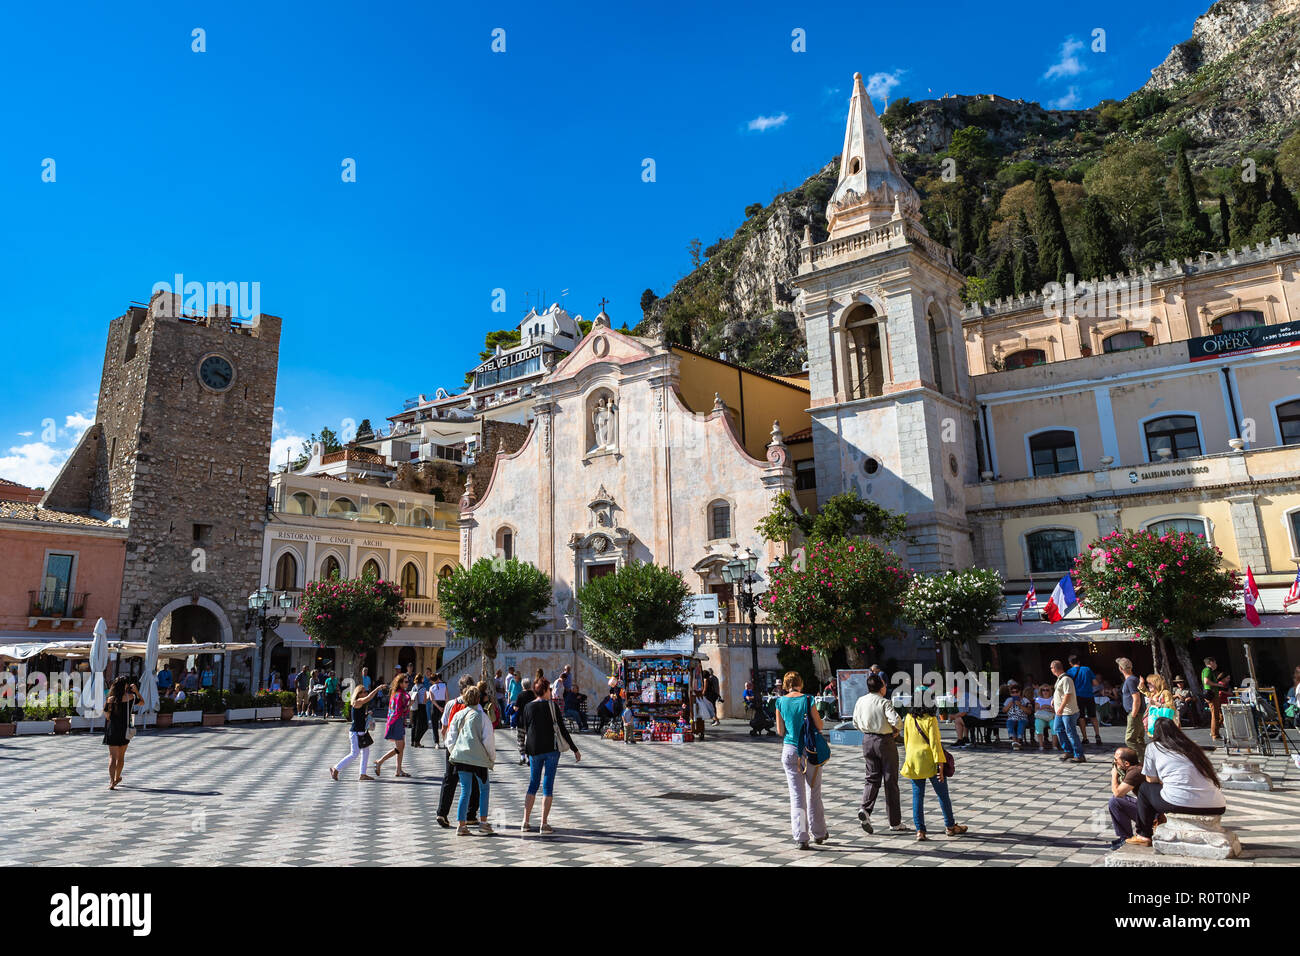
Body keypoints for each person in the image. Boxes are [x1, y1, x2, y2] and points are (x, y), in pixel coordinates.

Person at [1127, 718, 1226, 847]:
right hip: (1216, 804)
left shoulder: (1153, 747)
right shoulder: (1191, 746)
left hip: (1179, 802)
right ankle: (1156, 824)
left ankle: (1143, 834)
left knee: (1145, 788)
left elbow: (1151, 780)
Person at [772, 671, 827, 850]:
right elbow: (819, 725)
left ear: (786, 685)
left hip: (790, 750)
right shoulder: (808, 699)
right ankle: (819, 833)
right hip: (810, 751)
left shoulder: (780, 701)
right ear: (800, 683)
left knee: (797, 795)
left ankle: (801, 836)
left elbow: (780, 731)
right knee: (814, 792)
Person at [520, 677, 581, 833]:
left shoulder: (527, 707)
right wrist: (574, 749)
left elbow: (524, 729)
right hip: (551, 750)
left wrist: (523, 751)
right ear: (546, 690)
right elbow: (562, 729)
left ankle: (525, 821)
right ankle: (544, 823)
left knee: (533, 784)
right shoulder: (552, 706)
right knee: (548, 786)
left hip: (534, 750)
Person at [901, 699, 966, 841]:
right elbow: (935, 744)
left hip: (914, 759)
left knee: (917, 796)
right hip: (930, 760)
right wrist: (940, 765)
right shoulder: (931, 719)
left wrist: (909, 757)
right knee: (942, 794)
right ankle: (950, 826)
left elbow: (906, 740)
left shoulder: (908, 718)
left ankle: (920, 831)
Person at [852, 673, 905, 834]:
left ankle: (865, 809)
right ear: (881, 687)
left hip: (867, 740)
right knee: (890, 781)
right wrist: (895, 730)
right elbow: (896, 721)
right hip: (884, 742)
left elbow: (855, 722)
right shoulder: (884, 702)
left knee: (871, 778)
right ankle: (895, 822)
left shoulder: (861, 700)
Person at [444, 685, 495, 835]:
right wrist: (491, 757)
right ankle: (483, 822)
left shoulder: (458, 715)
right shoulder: (483, 717)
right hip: (478, 758)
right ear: (478, 699)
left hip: (461, 758)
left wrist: (455, 752)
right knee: (484, 788)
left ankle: (461, 825)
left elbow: (450, 738)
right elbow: (488, 741)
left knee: (465, 790)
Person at [436, 675, 481, 826]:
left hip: (452, 747)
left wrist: (447, 744)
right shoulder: (476, 706)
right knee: (473, 779)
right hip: (469, 748)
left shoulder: (450, 704)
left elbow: (443, 728)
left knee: (449, 779)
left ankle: (442, 813)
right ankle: (470, 815)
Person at [331, 678, 382, 781]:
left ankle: (362, 774)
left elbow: (359, 716)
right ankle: (336, 768)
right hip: (355, 733)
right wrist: (377, 689)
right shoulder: (357, 701)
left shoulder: (360, 704)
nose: (365, 693)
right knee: (354, 754)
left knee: (365, 752)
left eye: (365, 691)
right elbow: (368, 698)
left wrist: (367, 715)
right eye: (363, 692)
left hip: (361, 732)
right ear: (358, 694)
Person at [103, 676, 140, 790]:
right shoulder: (131, 697)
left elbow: (107, 716)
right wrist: (137, 691)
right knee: (121, 757)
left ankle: (111, 781)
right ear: (125, 686)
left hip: (113, 729)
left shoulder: (110, 699)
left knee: (112, 757)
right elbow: (142, 702)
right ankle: (117, 777)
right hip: (125, 730)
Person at [373, 674, 412, 778]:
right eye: (405, 682)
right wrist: (409, 705)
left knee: (401, 746)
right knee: (399, 747)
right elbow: (399, 711)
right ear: (400, 683)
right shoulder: (399, 695)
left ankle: (399, 769)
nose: (407, 683)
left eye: (408, 681)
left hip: (396, 721)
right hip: (397, 721)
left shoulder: (397, 693)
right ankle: (380, 761)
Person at [1107, 746, 1145, 848]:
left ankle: (1125, 837)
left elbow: (1117, 793)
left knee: (1114, 801)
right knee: (1118, 800)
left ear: (1126, 763)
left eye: (1116, 760)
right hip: (1147, 807)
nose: (1114, 763)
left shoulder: (1135, 772)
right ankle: (1124, 836)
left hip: (1151, 814)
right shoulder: (1136, 768)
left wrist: (1114, 775)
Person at [1051, 659, 1085, 763]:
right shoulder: (1059, 679)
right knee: (1058, 729)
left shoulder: (1066, 679)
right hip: (1060, 712)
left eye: (1051, 668)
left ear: (1055, 668)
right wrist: (1054, 699)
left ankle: (1079, 755)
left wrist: (1061, 707)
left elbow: (1068, 694)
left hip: (1068, 712)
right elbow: (1060, 692)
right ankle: (1068, 750)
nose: (1051, 670)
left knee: (1071, 733)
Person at [1067, 654, 1102, 746]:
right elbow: (1096, 683)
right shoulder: (1087, 669)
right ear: (1079, 662)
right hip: (1089, 695)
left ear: (1070, 663)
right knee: (1093, 716)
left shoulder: (1069, 672)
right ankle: (1097, 735)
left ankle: (1085, 738)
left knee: (1081, 717)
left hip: (1077, 697)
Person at [1117, 658, 1145, 759]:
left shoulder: (1130, 680)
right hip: (1139, 712)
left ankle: (1141, 762)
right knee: (1139, 739)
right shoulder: (1133, 679)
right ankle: (1146, 761)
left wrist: (1133, 714)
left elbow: (1136, 699)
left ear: (1120, 668)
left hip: (1135, 713)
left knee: (1130, 740)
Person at [1202, 657, 1229, 741]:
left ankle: (1214, 730)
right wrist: (1218, 685)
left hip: (1214, 695)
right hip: (1212, 695)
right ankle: (1214, 734)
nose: (1216, 664)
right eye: (1215, 662)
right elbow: (1206, 681)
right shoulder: (1207, 670)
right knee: (1215, 715)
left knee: (1220, 715)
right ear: (1211, 662)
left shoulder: (1209, 671)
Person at [1001, 680, 1030, 750]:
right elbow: (1004, 710)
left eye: (1017, 692)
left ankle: (1018, 741)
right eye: (1012, 692)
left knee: (1021, 723)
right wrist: (1009, 704)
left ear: (1020, 692)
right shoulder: (1008, 700)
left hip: (1022, 718)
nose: (1015, 694)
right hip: (1011, 718)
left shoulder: (1025, 700)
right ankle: (1014, 741)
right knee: (1009, 722)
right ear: (1010, 693)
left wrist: (1020, 706)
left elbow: (1029, 712)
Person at [513, 677, 536, 763]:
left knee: (520, 739)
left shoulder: (520, 695)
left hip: (521, 721)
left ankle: (522, 757)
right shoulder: (533, 695)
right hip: (531, 721)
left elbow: (516, 708)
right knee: (530, 740)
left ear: (522, 685)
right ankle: (529, 757)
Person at [1032, 682, 1056, 751]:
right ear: (1041, 691)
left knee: (1054, 724)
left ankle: (1054, 746)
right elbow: (1036, 712)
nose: (1045, 691)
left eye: (1047, 690)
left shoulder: (1053, 699)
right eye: (1043, 690)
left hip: (1051, 717)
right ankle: (1041, 746)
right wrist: (1042, 707)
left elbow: (1057, 711)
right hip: (1041, 717)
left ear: (1050, 691)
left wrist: (1050, 708)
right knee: (1038, 723)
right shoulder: (1038, 699)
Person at [410, 673, 430, 746]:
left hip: (414, 706)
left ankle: (412, 741)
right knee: (424, 725)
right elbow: (425, 700)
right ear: (421, 679)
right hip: (421, 707)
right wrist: (428, 697)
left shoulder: (413, 687)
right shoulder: (423, 688)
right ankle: (417, 741)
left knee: (414, 725)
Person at [430, 672, 448, 745]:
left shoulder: (431, 687)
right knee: (443, 724)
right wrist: (445, 707)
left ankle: (437, 742)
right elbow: (447, 697)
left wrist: (439, 707)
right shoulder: (444, 685)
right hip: (443, 704)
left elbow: (432, 700)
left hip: (435, 706)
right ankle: (444, 740)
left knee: (435, 725)